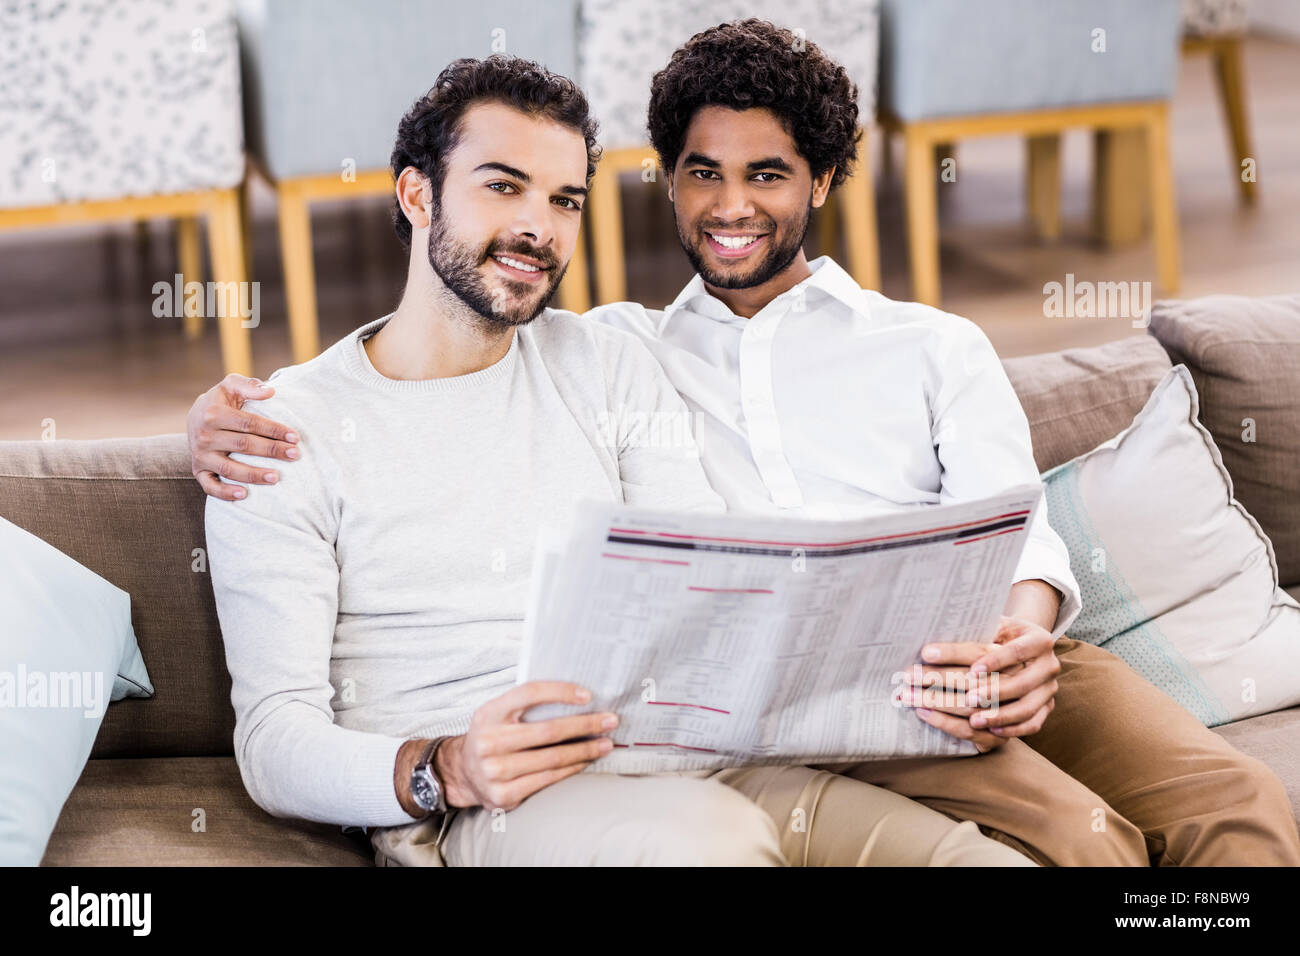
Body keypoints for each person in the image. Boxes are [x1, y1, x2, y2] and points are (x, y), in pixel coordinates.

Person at [196, 22, 1300, 866]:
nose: (729, 204)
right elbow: (282, 723)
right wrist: (213, 420)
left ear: (819, 181)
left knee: (1238, 802)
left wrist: (1019, 628)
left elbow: (1012, 516)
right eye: (503, 187)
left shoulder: (909, 342)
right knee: (1075, 834)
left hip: (972, 653)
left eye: (563, 199)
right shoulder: (624, 350)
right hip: (720, 733)